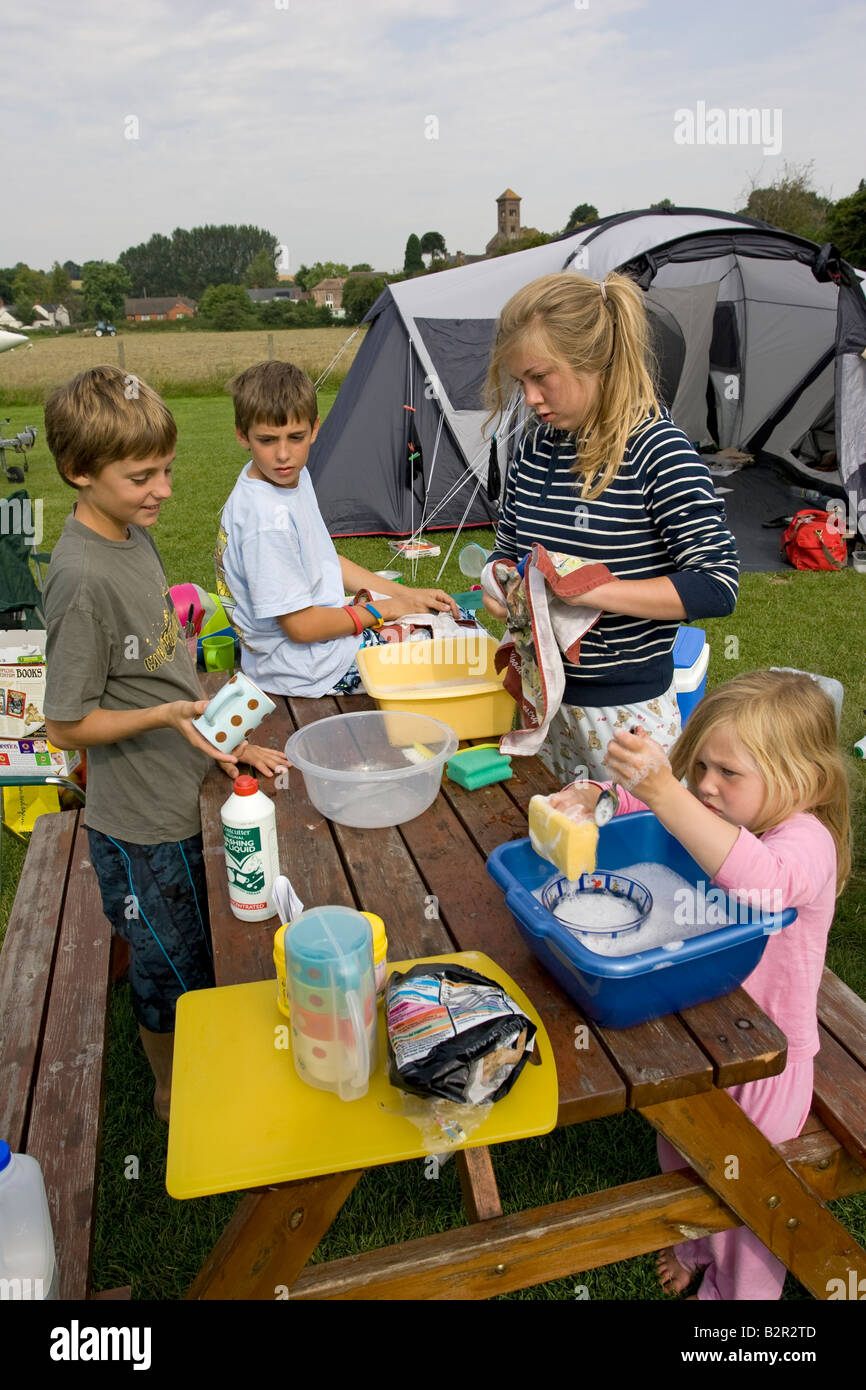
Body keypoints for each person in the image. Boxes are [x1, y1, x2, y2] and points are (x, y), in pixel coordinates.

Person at [550, 669, 851, 1300]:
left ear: (805, 780)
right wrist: (596, 796)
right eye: (701, 769)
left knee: (746, 1199)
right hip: (702, 1018)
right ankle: (691, 1247)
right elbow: (643, 805)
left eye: (729, 774)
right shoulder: (712, 807)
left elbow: (763, 882)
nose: (707, 787)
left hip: (768, 1056)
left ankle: (739, 1302)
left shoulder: (806, 840)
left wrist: (672, 795)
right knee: (683, 1152)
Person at [42, 365, 288, 1122]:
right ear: (79, 473)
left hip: (181, 786)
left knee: (200, 947)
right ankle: (172, 1095)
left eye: (168, 470)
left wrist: (220, 736)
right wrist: (164, 718)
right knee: (166, 968)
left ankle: (207, 1063)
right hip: (140, 823)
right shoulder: (80, 578)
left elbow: (157, 670)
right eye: (142, 475)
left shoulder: (131, 532)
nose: (164, 491)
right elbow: (63, 725)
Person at [483, 271, 739, 781]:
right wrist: (500, 584)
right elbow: (507, 548)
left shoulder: (659, 452)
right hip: (544, 703)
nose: (530, 398)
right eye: (520, 383)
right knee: (555, 844)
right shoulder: (534, 449)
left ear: (595, 362)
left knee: (624, 850)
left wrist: (598, 592)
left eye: (541, 377)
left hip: (627, 718)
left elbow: (718, 585)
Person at [216, 360, 459, 697]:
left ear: (315, 429)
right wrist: (383, 610)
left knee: (447, 620)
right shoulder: (266, 520)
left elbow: (326, 561)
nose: (284, 454)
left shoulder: (289, 478)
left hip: (313, 651)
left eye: (296, 437)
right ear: (242, 435)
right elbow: (301, 627)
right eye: (268, 440)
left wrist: (405, 596)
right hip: (309, 668)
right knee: (460, 647)